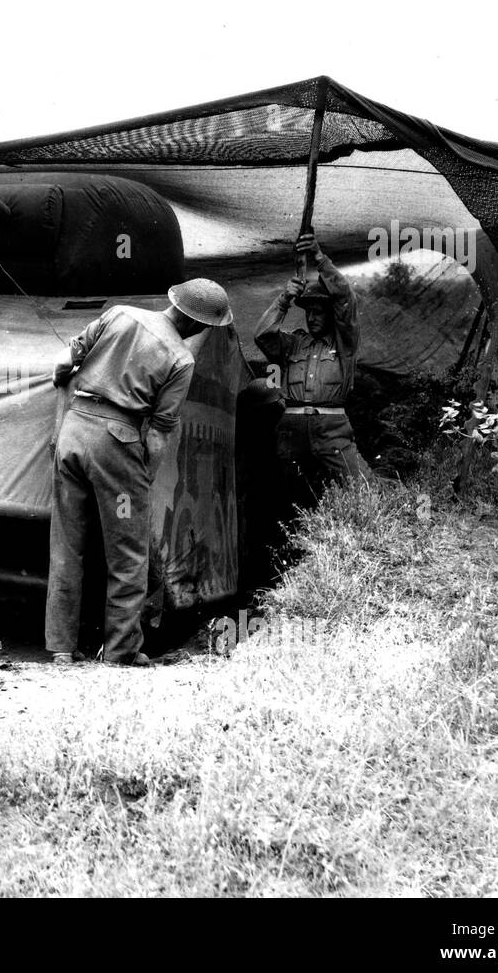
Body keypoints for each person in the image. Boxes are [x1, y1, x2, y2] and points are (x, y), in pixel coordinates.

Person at [45, 278, 233, 667]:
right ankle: (119, 652)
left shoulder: (119, 313)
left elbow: (64, 362)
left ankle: (61, 648)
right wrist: (141, 482)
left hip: (73, 433)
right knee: (128, 554)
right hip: (117, 448)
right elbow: (160, 433)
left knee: (66, 545)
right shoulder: (182, 359)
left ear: (174, 301)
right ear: (198, 324)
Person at [254, 231, 371, 502]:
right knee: (283, 494)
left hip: (331, 429)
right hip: (291, 428)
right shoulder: (293, 343)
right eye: (308, 311)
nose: (313, 317)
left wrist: (319, 258)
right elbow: (262, 336)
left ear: (331, 315)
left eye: (320, 311)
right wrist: (284, 299)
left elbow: (345, 299)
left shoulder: (345, 344)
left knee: (362, 489)